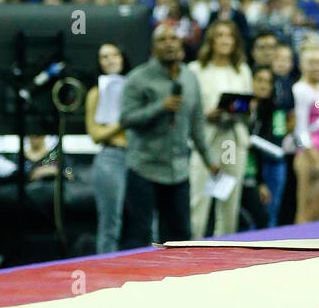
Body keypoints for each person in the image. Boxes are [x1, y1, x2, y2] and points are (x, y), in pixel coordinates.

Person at [120, 24, 223, 247]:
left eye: (174, 39)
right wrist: (160, 107)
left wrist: (209, 161)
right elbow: (126, 119)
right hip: (144, 169)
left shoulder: (190, 78)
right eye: (163, 40)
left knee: (180, 236)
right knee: (138, 234)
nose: (169, 44)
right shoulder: (137, 79)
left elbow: (197, 124)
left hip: (178, 171)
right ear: (153, 47)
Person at [188, 19, 253, 238]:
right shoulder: (196, 69)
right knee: (199, 198)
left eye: (230, 36)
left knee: (230, 199)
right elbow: (189, 107)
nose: (225, 40)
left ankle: (224, 251)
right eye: (220, 35)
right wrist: (207, 113)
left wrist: (245, 108)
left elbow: (248, 106)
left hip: (234, 137)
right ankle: (191, 246)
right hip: (206, 137)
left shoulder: (242, 70)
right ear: (211, 40)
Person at [84, 41, 129, 254]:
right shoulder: (95, 93)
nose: (110, 60)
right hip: (112, 156)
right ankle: (105, 273)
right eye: (104, 56)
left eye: (115, 54)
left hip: (140, 157)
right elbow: (95, 134)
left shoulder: (134, 87)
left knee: (147, 221)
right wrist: (123, 123)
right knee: (110, 223)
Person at [291, 48, 319, 223]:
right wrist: (310, 152)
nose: (317, 67)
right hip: (308, 151)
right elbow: (300, 127)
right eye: (312, 63)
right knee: (306, 203)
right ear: (302, 65)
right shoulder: (299, 89)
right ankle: (296, 244)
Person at [244, 65, 290, 228]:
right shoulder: (243, 106)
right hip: (249, 167)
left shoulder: (277, 110)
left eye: (268, 82)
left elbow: (276, 142)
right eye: (259, 80)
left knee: (269, 214)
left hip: (272, 166)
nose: (263, 85)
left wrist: (252, 141)